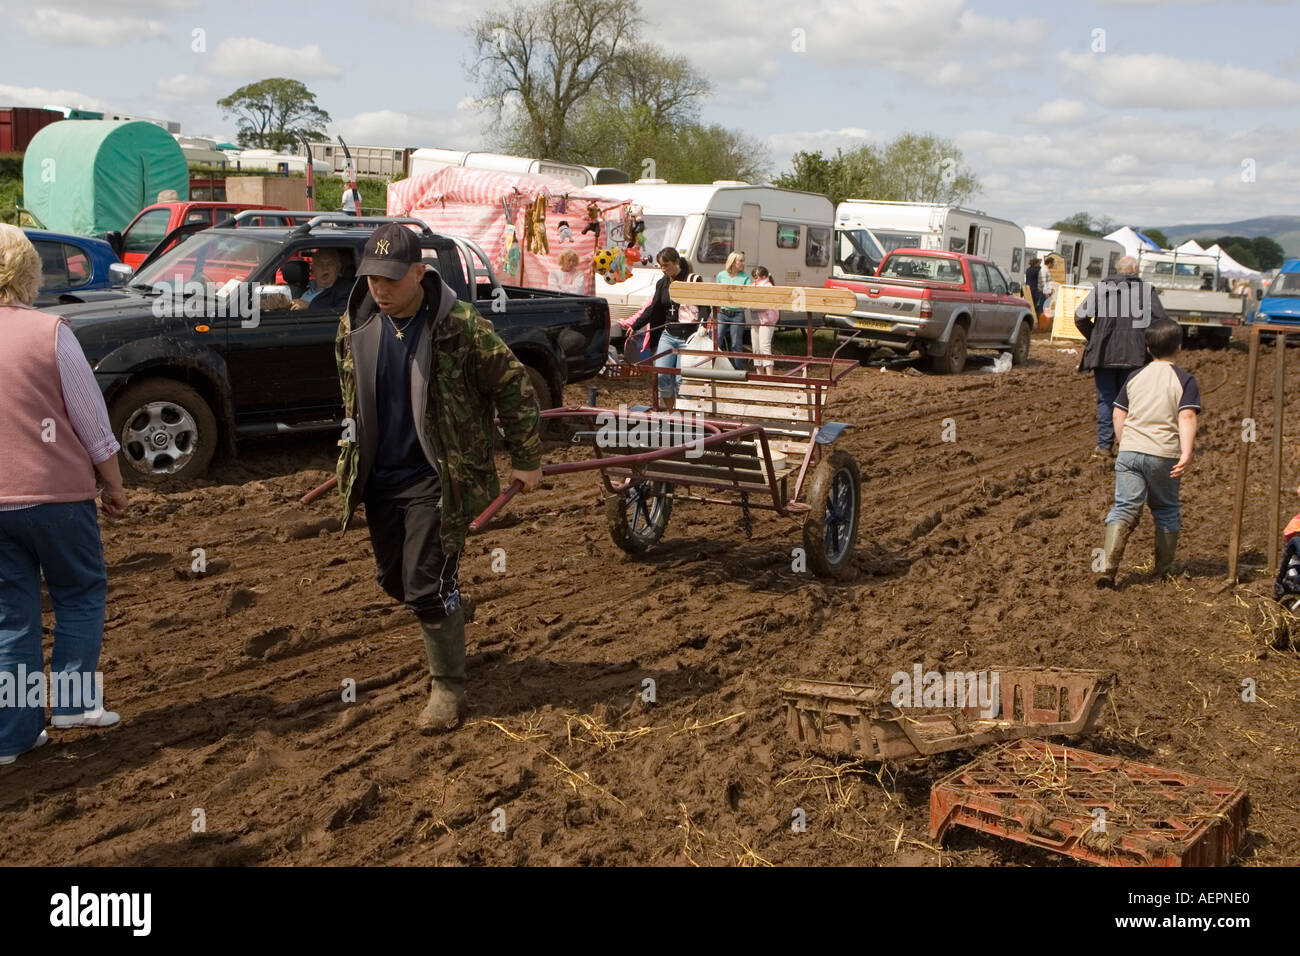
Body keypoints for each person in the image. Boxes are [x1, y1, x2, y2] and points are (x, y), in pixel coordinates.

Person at [335, 224, 543, 732]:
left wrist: (526, 456)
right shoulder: (356, 323)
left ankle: (448, 687)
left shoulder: (459, 326)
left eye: (389, 279)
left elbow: (514, 385)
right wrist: (347, 450)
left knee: (425, 584)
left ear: (418, 273)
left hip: (440, 476)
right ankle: (450, 605)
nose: (379, 290)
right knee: (395, 580)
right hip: (380, 476)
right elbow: (349, 397)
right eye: (371, 279)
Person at [0, 224, 127, 766]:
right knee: (78, 591)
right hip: (56, 497)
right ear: (30, 273)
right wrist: (114, 483)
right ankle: (74, 703)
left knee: (11, 616)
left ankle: (12, 736)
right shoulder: (51, 331)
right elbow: (90, 417)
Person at [1094, 319, 1199, 588]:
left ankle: (1107, 567)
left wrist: (1124, 442)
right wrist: (1186, 452)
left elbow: (1118, 413)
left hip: (1130, 451)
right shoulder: (1185, 380)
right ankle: (1162, 571)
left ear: (1148, 347)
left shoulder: (1135, 376)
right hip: (1163, 454)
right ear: (1179, 346)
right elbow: (1186, 415)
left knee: (1124, 508)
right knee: (1166, 508)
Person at [1075, 255, 1169, 457]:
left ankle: (1104, 446)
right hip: (1136, 355)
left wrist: (1095, 337)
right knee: (1133, 401)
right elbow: (1161, 322)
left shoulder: (1102, 288)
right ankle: (1131, 445)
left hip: (1103, 354)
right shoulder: (1145, 290)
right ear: (1135, 269)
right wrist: (1148, 342)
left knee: (1106, 399)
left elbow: (1080, 316)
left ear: (1118, 270)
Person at [626, 247, 707, 411]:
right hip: (668, 334)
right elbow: (653, 308)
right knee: (662, 374)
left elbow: (704, 304)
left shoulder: (693, 280)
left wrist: (703, 325)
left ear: (677, 262)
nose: (664, 269)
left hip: (689, 336)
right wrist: (635, 325)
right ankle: (672, 412)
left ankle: (684, 415)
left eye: (666, 265)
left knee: (681, 379)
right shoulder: (662, 283)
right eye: (661, 266)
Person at [715, 250, 750, 368]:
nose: (743, 263)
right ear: (733, 262)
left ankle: (737, 370)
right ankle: (714, 367)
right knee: (717, 340)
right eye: (741, 260)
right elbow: (717, 293)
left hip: (738, 313)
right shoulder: (721, 275)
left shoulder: (745, 277)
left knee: (736, 343)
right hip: (722, 313)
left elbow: (749, 293)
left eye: (743, 260)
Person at [749, 266, 779, 373]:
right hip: (756, 319)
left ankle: (769, 375)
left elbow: (765, 304)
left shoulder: (768, 287)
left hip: (767, 320)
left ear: (764, 277)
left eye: (756, 277)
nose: (754, 280)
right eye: (754, 277)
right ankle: (759, 374)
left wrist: (751, 305)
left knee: (764, 346)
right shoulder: (753, 287)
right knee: (756, 347)